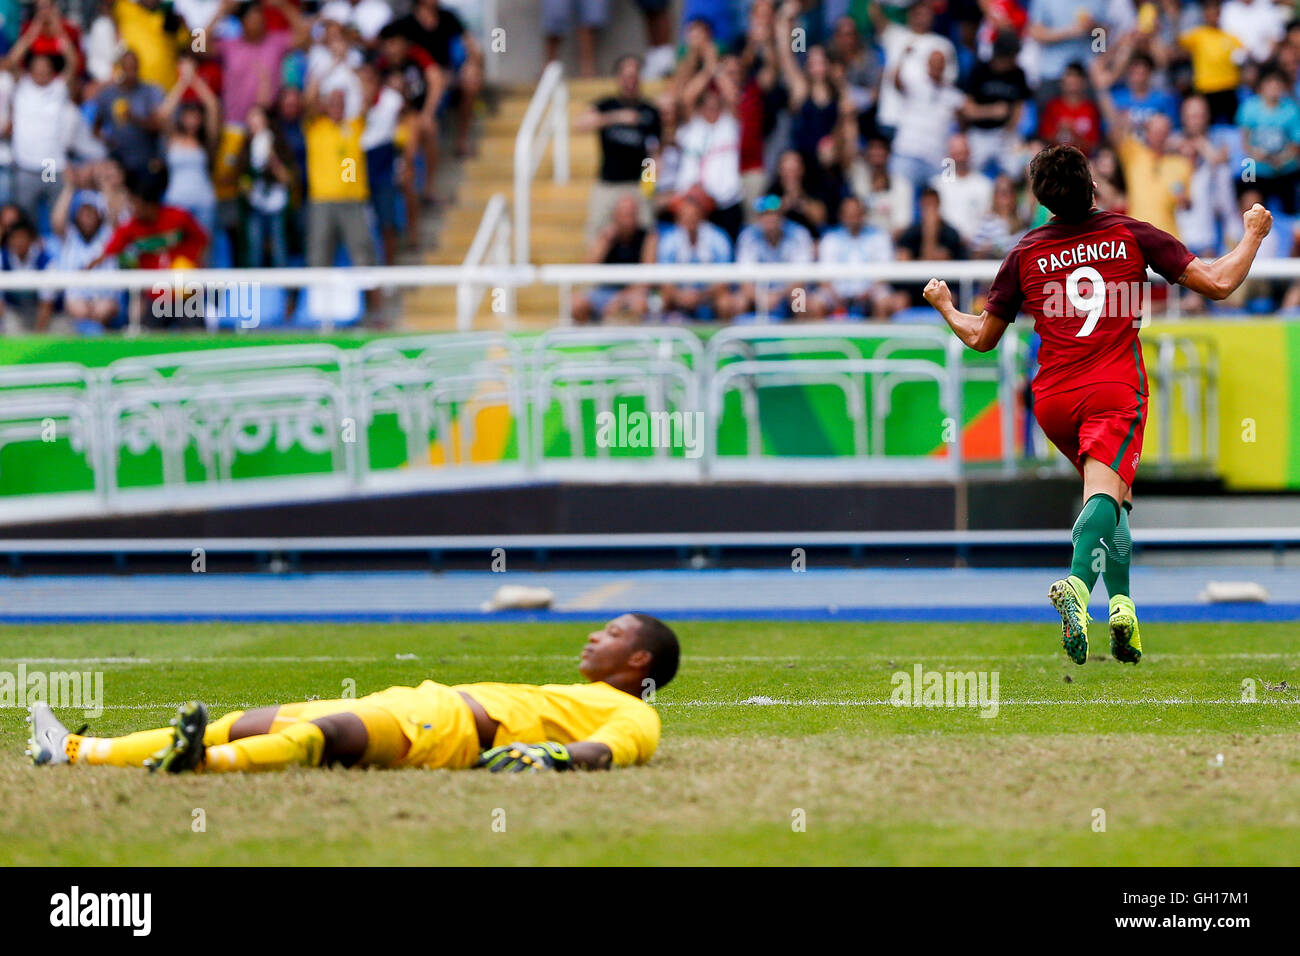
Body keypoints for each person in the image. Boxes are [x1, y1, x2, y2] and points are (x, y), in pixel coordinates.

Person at [920, 143, 1273, 666]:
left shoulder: (1024, 252)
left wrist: (946, 306)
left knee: (1111, 497)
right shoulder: (1130, 232)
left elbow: (982, 338)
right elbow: (1220, 283)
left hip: (1054, 399)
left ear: (1040, 199)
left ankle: (1124, 609)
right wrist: (1253, 234)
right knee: (1104, 496)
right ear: (1093, 185)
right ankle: (1080, 588)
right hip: (1113, 390)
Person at [28, 614, 680, 774]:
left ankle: (201, 765)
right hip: (418, 701)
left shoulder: (633, 711)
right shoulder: (585, 690)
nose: (595, 636)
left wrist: (554, 759)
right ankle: (74, 750)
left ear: (640, 660)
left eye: (613, 632)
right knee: (245, 721)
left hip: (448, 727)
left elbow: (612, 751)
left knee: (330, 739)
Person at [575, 54, 660, 242]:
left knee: (648, 230)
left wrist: (648, 186)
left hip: (636, 184)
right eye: (627, 75)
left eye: (634, 75)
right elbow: (580, 124)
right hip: (608, 183)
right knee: (596, 232)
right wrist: (616, 117)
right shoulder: (606, 105)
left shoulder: (650, 110)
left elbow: (654, 153)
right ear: (619, 78)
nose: (631, 80)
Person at [572, 194, 656, 324]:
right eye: (624, 215)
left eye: (631, 214)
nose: (629, 220)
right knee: (577, 304)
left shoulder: (647, 237)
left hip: (634, 292)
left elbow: (648, 277)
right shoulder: (606, 237)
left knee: (639, 305)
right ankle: (588, 340)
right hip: (605, 291)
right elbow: (586, 268)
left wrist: (620, 299)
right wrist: (605, 241)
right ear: (615, 216)